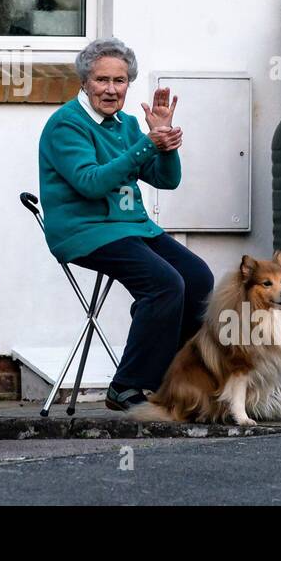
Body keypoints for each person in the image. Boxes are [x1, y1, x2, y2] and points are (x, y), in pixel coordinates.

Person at [37, 37, 214, 411]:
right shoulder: (66, 125)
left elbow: (167, 180)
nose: (111, 89)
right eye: (102, 80)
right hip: (87, 230)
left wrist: (165, 145)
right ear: (85, 82)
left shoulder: (128, 125)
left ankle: (169, 374)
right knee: (165, 284)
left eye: (120, 81)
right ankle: (127, 385)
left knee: (198, 278)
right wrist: (146, 144)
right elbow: (91, 183)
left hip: (132, 226)